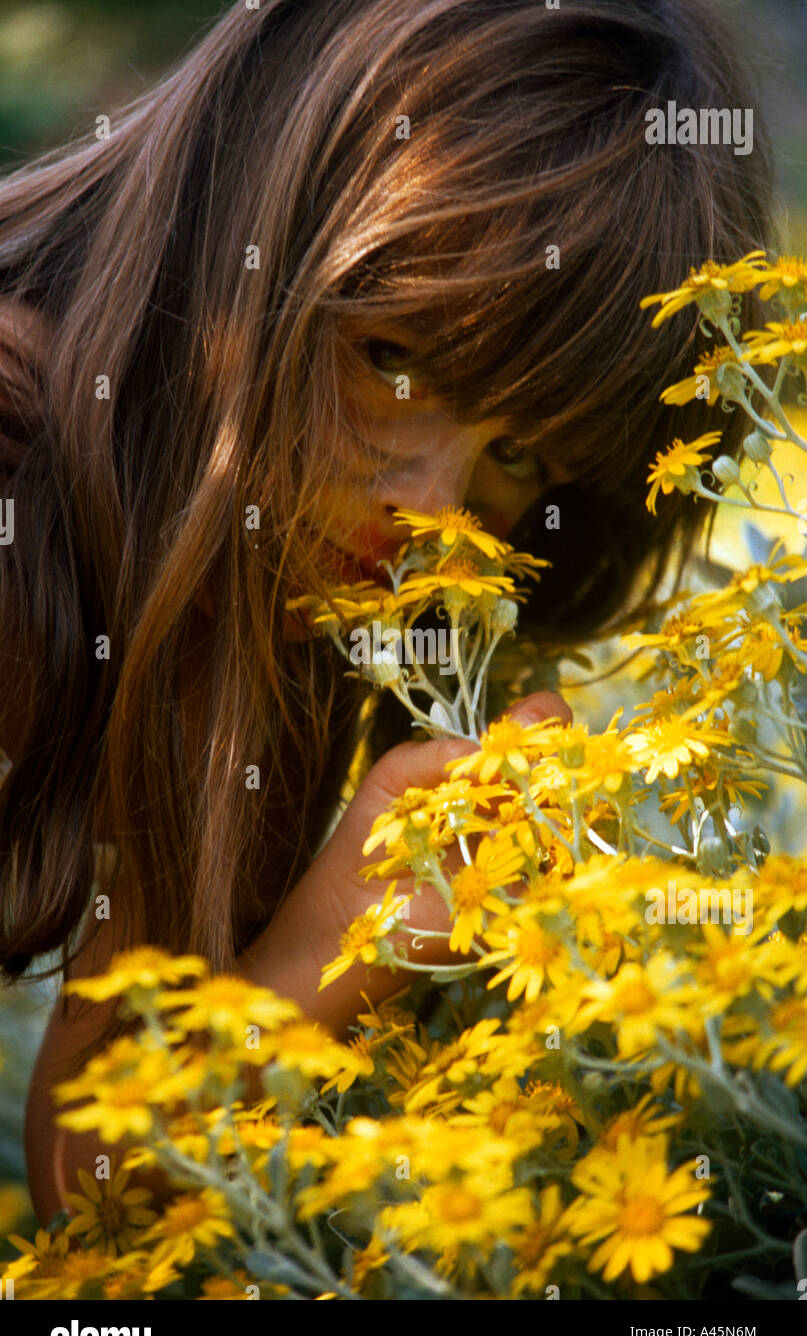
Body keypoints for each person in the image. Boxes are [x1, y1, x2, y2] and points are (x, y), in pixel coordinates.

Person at [0, 0, 773, 1226]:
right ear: (266, 216)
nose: (433, 513)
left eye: (520, 451)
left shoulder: (237, 581)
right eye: (392, 356)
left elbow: (94, 1190)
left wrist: (351, 924)